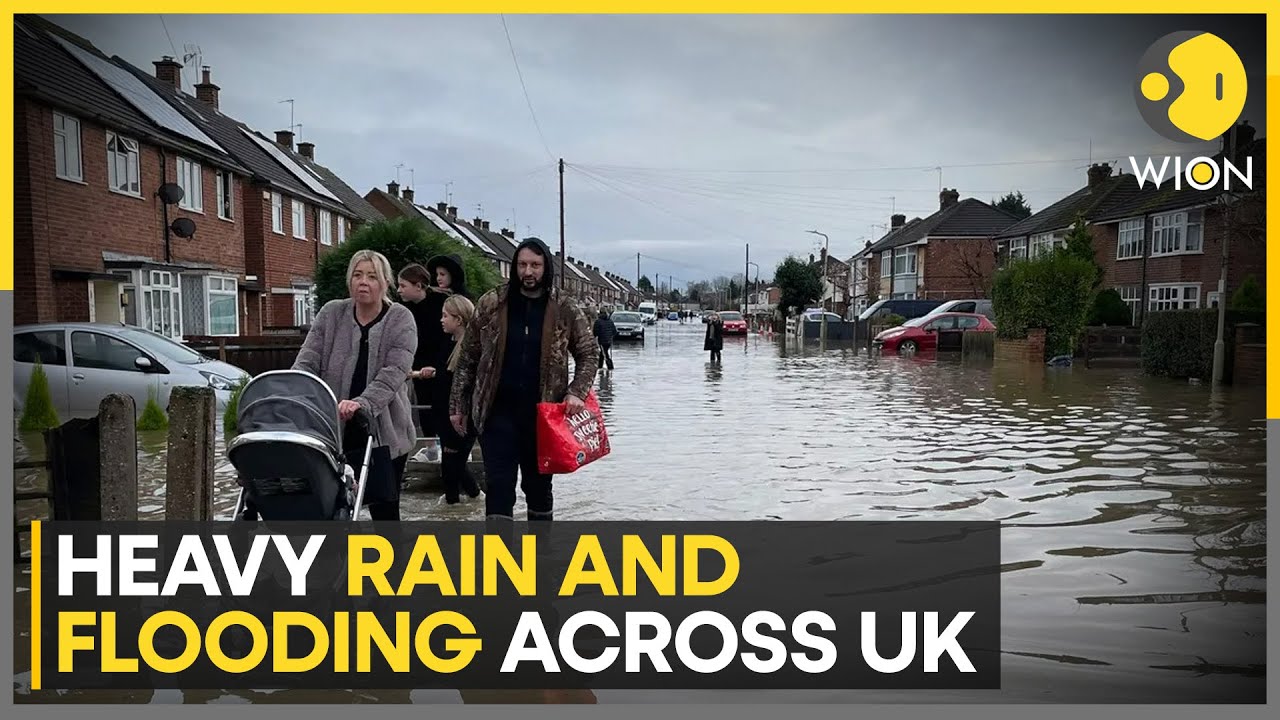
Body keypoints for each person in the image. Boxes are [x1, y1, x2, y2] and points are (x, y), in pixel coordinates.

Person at [449, 238, 599, 522]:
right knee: (499, 488)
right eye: (522, 265)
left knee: (539, 487)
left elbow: (589, 353)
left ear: (546, 268)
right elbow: (468, 356)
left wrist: (577, 392)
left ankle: (540, 560)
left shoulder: (563, 307)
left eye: (535, 265)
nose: (528, 272)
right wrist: (458, 405)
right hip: (497, 413)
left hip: (544, 417)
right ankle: (499, 561)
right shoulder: (492, 302)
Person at [294, 250, 417, 521]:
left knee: (384, 512)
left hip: (382, 432)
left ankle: (390, 562)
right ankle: (336, 560)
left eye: (372, 277)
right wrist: (294, 392)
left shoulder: (400, 319)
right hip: (332, 427)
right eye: (358, 275)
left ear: (385, 282)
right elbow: (308, 360)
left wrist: (363, 404)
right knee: (330, 506)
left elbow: (394, 371)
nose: (363, 282)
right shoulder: (332, 313)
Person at [397, 256, 470, 463]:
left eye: (403, 285)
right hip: (418, 362)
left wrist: (440, 365)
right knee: (423, 403)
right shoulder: (405, 309)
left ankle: (454, 448)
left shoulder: (441, 302)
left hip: (443, 362)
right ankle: (431, 448)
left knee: (444, 404)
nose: (399, 290)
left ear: (418, 286)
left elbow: (451, 337)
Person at [419, 294, 482, 504]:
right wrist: (433, 371)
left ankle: (453, 508)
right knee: (454, 465)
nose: (441, 320)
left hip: (460, 418)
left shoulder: (470, 349)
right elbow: (447, 374)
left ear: (459, 320)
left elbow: (466, 384)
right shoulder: (448, 342)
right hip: (445, 415)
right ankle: (473, 498)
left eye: (446, 316)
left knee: (451, 467)